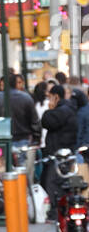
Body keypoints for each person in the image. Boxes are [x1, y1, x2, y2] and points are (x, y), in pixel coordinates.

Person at [41, 83, 78, 216]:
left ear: (56, 97)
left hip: (59, 153)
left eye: (50, 97)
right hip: (65, 152)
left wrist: (49, 110)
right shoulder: (68, 108)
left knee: (53, 183)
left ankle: (56, 212)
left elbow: (47, 122)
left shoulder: (60, 111)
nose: (49, 101)